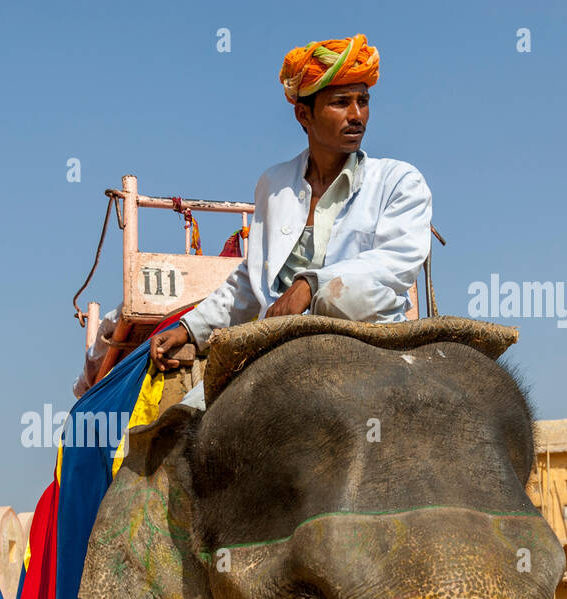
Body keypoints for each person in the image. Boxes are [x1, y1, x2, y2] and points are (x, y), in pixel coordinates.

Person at [150, 35, 433, 406]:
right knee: (186, 426)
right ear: (304, 114)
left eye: (363, 101)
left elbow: (395, 265)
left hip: (371, 340)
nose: (356, 115)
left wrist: (311, 285)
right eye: (340, 103)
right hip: (276, 347)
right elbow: (252, 283)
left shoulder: (399, 181)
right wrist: (190, 328)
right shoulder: (273, 184)